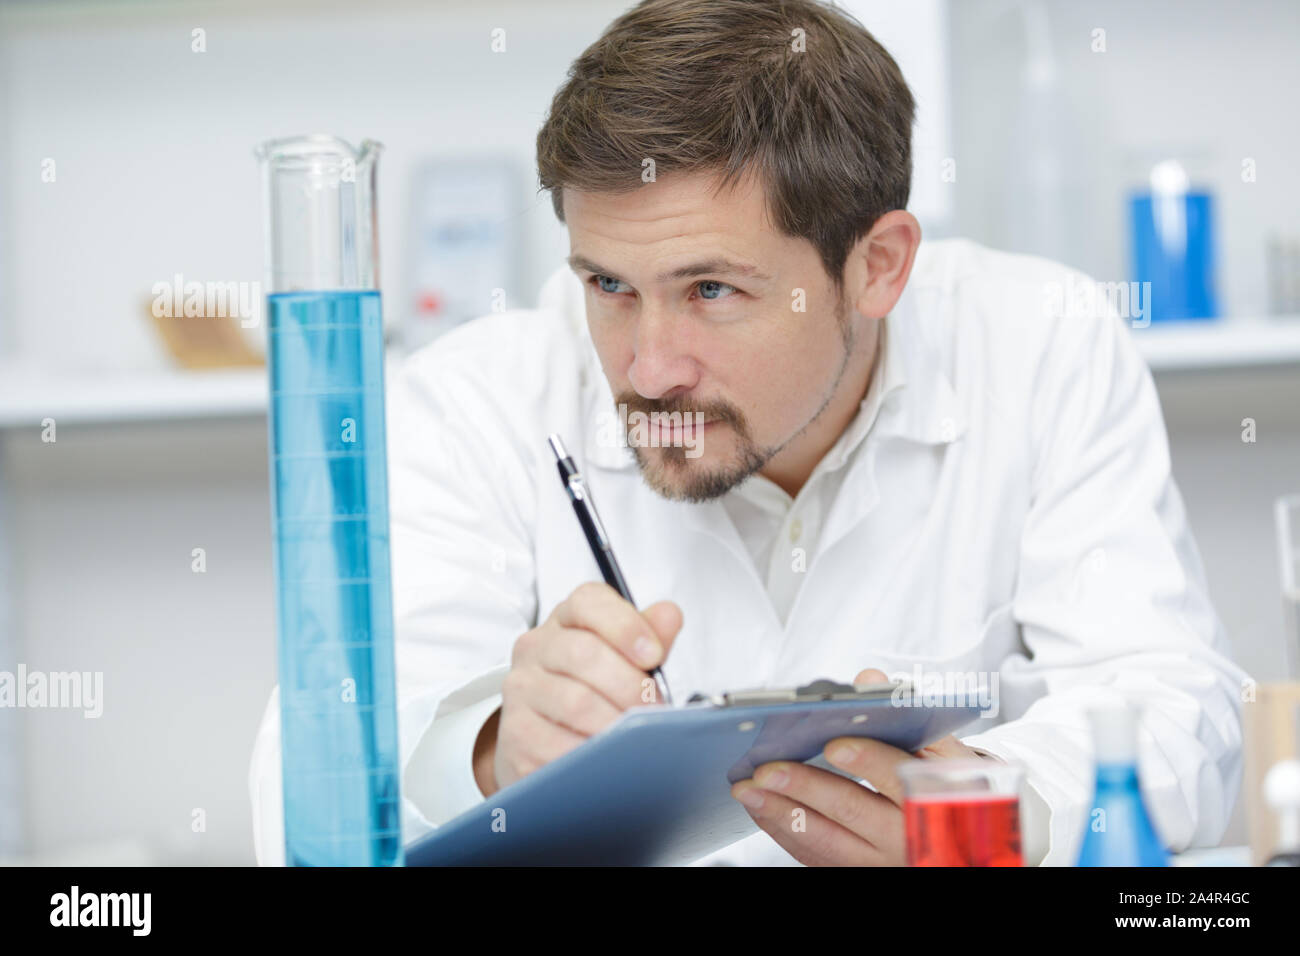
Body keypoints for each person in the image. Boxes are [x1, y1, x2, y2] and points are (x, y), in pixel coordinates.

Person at [249, 0, 1246, 866]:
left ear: (878, 266)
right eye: (607, 285)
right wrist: (492, 748)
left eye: (711, 289)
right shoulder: (474, 399)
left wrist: (977, 808)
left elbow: (1180, 709)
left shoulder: (1038, 343)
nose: (646, 367)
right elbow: (300, 783)